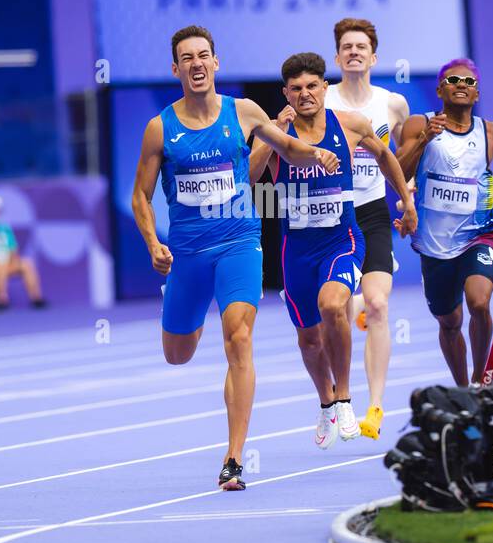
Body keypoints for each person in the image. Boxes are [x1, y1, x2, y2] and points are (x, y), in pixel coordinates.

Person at [131, 24, 339, 491]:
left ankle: (234, 458)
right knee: (177, 354)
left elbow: (286, 145)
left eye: (204, 55)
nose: (197, 64)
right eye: (187, 58)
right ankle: (190, 307)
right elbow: (141, 197)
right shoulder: (159, 128)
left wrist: (317, 154)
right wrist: (152, 244)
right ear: (176, 68)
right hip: (187, 254)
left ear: (216, 62)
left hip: (239, 244)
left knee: (239, 339)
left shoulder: (242, 112)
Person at [250, 52, 415, 449]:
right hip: (296, 249)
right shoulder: (275, 133)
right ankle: (325, 401)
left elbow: (386, 156)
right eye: (296, 89)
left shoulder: (350, 125)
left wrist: (407, 203)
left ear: (325, 87)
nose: (305, 94)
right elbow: (252, 176)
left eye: (312, 86)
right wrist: (274, 131)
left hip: (342, 240)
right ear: (285, 93)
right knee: (308, 339)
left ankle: (344, 397)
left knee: (333, 305)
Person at [397, 59, 493, 386]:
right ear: (440, 89)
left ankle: (482, 380)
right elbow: (397, 171)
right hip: (434, 244)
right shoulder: (417, 125)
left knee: (479, 303)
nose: (461, 85)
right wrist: (425, 139)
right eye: (453, 80)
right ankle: (463, 389)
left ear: (477, 92)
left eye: (468, 81)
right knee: (449, 322)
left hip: (478, 235)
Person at [321, 18, 410, 439]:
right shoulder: (323, 100)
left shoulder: (392, 105)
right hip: (332, 214)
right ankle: (338, 397)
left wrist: (406, 191)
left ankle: (374, 408)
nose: (354, 52)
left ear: (373, 57)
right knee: (333, 309)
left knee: (378, 304)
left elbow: (400, 157)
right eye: (347, 47)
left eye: (361, 47)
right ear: (337, 57)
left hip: (372, 212)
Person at [0, 194, 46, 308]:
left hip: (7, 262)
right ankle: (1, 299)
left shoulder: (4, 228)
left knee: (26, 264)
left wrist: (10, 260)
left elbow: (13, 248)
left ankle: (36, 298)